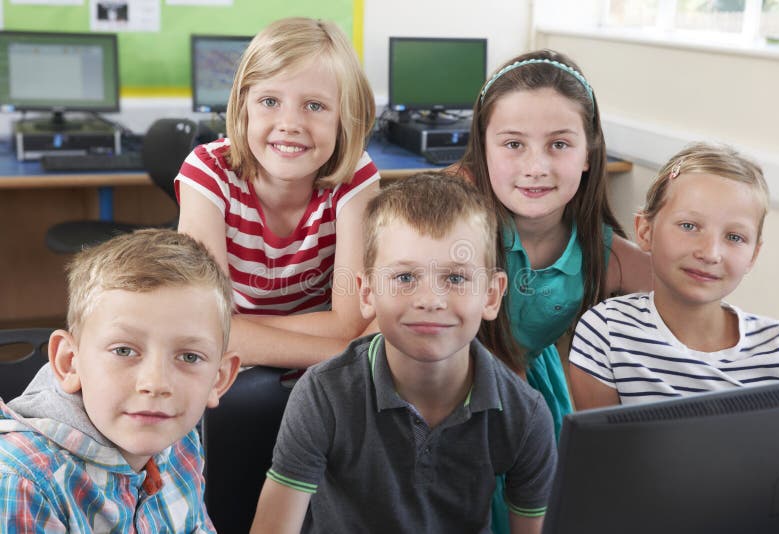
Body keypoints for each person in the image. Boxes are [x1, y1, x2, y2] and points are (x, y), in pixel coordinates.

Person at [250, 173, 557, 534]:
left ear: (491, 295)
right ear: (366, 293)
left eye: (456, 279)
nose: (429, 301)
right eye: (405, 277)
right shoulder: (323, 395)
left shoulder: (526, 414)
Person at [454, 49, 652, 435]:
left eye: (559, 145)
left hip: (527, 398)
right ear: (483, 148)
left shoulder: (604, 254)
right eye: (513, 144)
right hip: (440, 397)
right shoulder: (447, 217)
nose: (536, 168)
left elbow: (688, 304)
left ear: (588, 154)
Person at [0, 229, 240, 532]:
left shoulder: (180, 439)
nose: (156, 383)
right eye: (124, 350)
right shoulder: (22, 484)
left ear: (218, 379)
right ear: (69, 362)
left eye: (189, 357)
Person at [176, 17, 379, 368]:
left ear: (344, 118)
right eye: (270, 101)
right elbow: (200, 322)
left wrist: (231, 330)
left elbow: (350, 320)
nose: (290, 124)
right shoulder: (207, 171)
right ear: (244, 108)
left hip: (286, 364)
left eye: (314, 106)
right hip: (258, 364)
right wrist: (347, 354)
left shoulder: (356, 176)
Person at [569, 142, 779, 409]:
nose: (710, 253)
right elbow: (601, 447)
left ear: (753, 256)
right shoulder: (606, 331)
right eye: (689, 226)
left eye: (734, 237)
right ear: (645, 232)